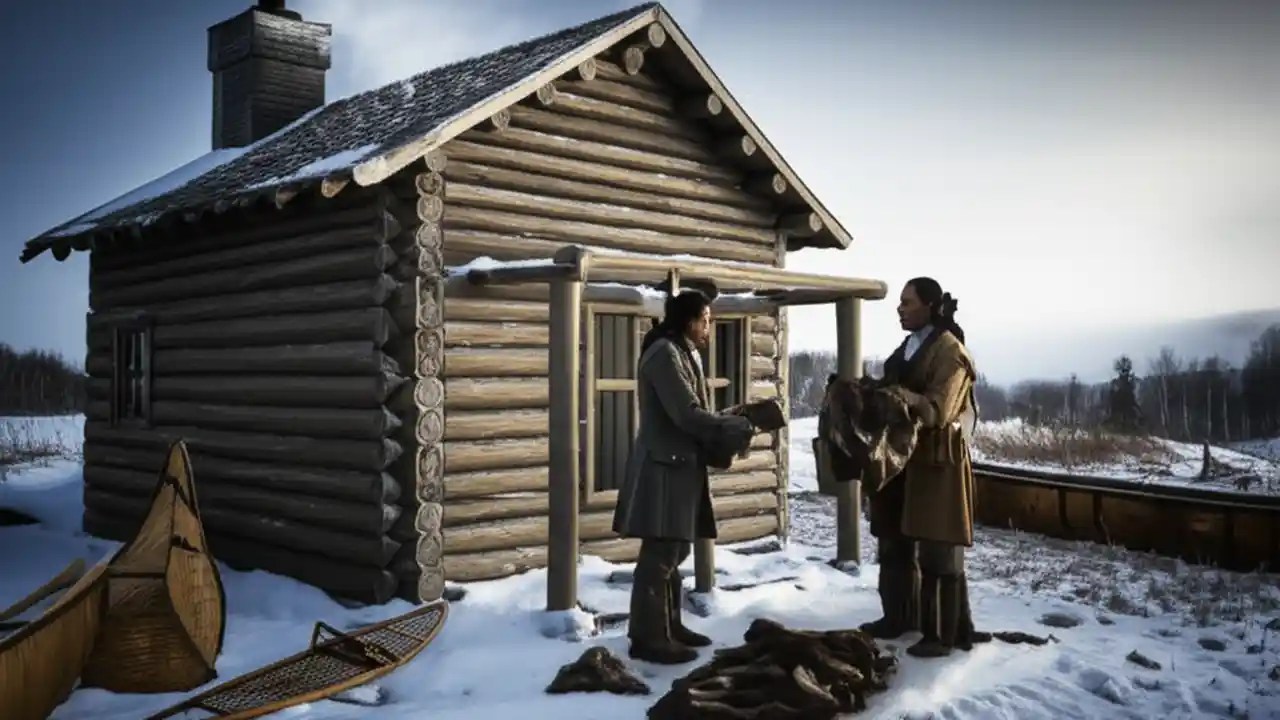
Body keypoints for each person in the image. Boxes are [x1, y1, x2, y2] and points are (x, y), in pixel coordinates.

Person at [612, 289, 757, 664]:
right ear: (689, 321)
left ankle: (669, 626)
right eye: (706, 320)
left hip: (678, 465)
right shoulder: (664, 354)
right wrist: (732, 425)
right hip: (663, 466)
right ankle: (647, 638)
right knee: (660, 553)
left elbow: (692, 411)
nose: (710, 327)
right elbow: (686, 414)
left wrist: (730, 420)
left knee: (676, 549)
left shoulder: (681, 351)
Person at [859, 277, 991, 658]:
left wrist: (901, 395)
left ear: (930, 306)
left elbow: (939, 410)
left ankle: (943, 634)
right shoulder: (911, 345)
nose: (900, 308)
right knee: (893, 539)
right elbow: (897, 383)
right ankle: (899, 618)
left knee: (939, 550)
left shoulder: (951, 352)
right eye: (900, 302)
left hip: (939, 462)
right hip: (903, 459)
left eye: (907, 302)